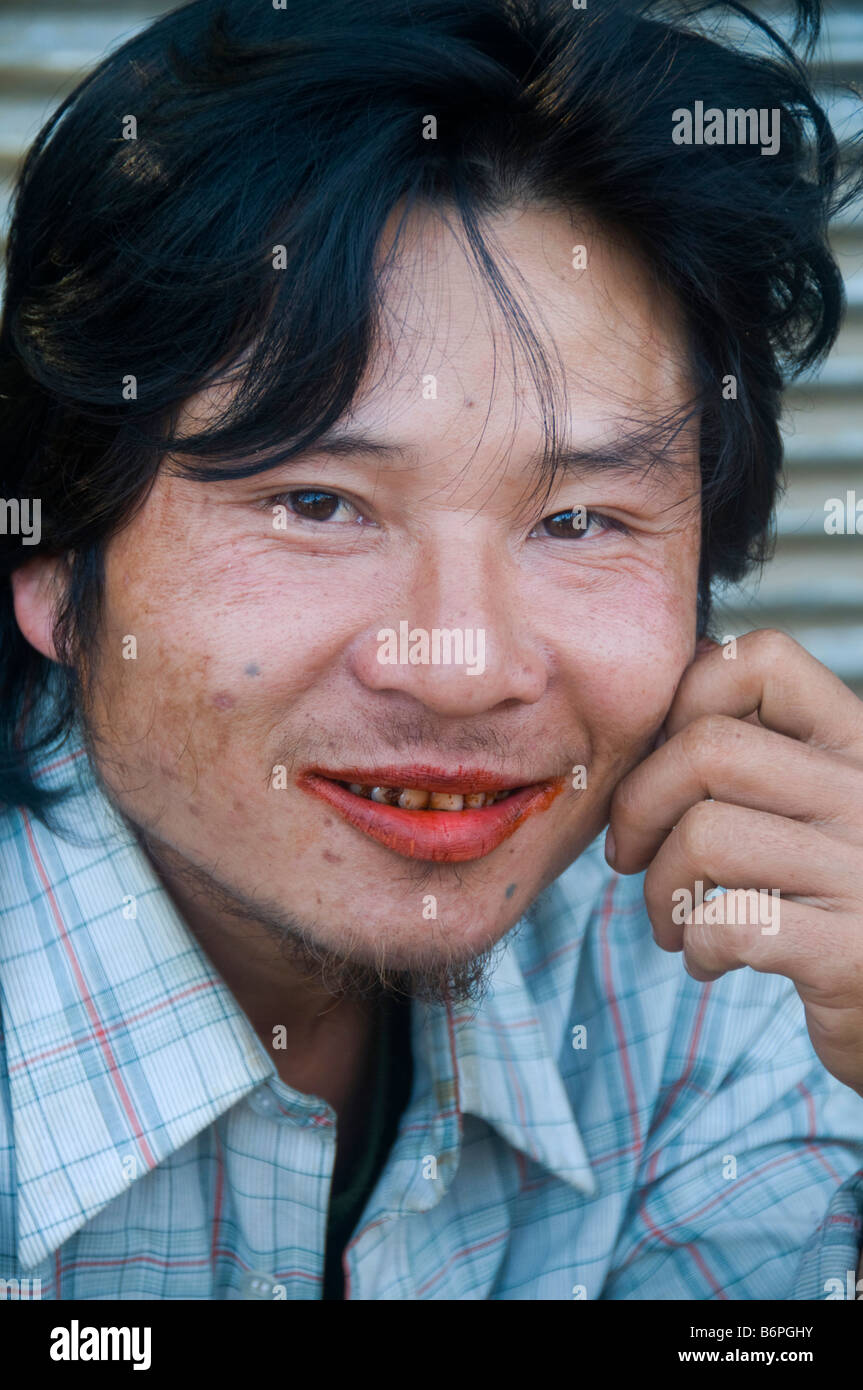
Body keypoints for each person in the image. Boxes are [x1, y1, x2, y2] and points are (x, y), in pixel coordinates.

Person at [1, 0, 862, 1301]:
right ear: (58, 562)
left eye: (579, 520)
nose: (462, 667)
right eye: (317, 504)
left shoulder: (722, 967)